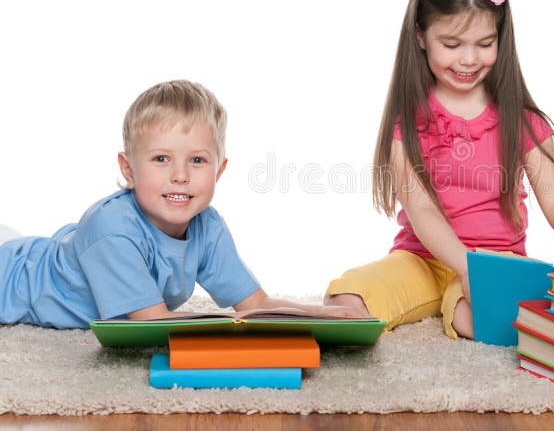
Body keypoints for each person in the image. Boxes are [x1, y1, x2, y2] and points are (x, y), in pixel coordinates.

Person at [324, 0, 554, 339]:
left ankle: (484, 315)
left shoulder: (521, 121)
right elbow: (422, 212)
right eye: (452, 44)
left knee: (491, 315)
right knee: (346, 298)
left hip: (495, 261)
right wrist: (463, 268)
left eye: (485, 43)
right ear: (420, 36)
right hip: (420, 259)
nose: (469, 59)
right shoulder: (408, 123)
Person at [0, 80, 357, 329]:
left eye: (198, 161)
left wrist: (324, 314)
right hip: (10, 278)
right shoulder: (111, 227)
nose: (181, 176)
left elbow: (257, 306)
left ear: (219, 170)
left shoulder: (208, 226)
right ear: (128, 169)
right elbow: (152, 324)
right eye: (161, 159)